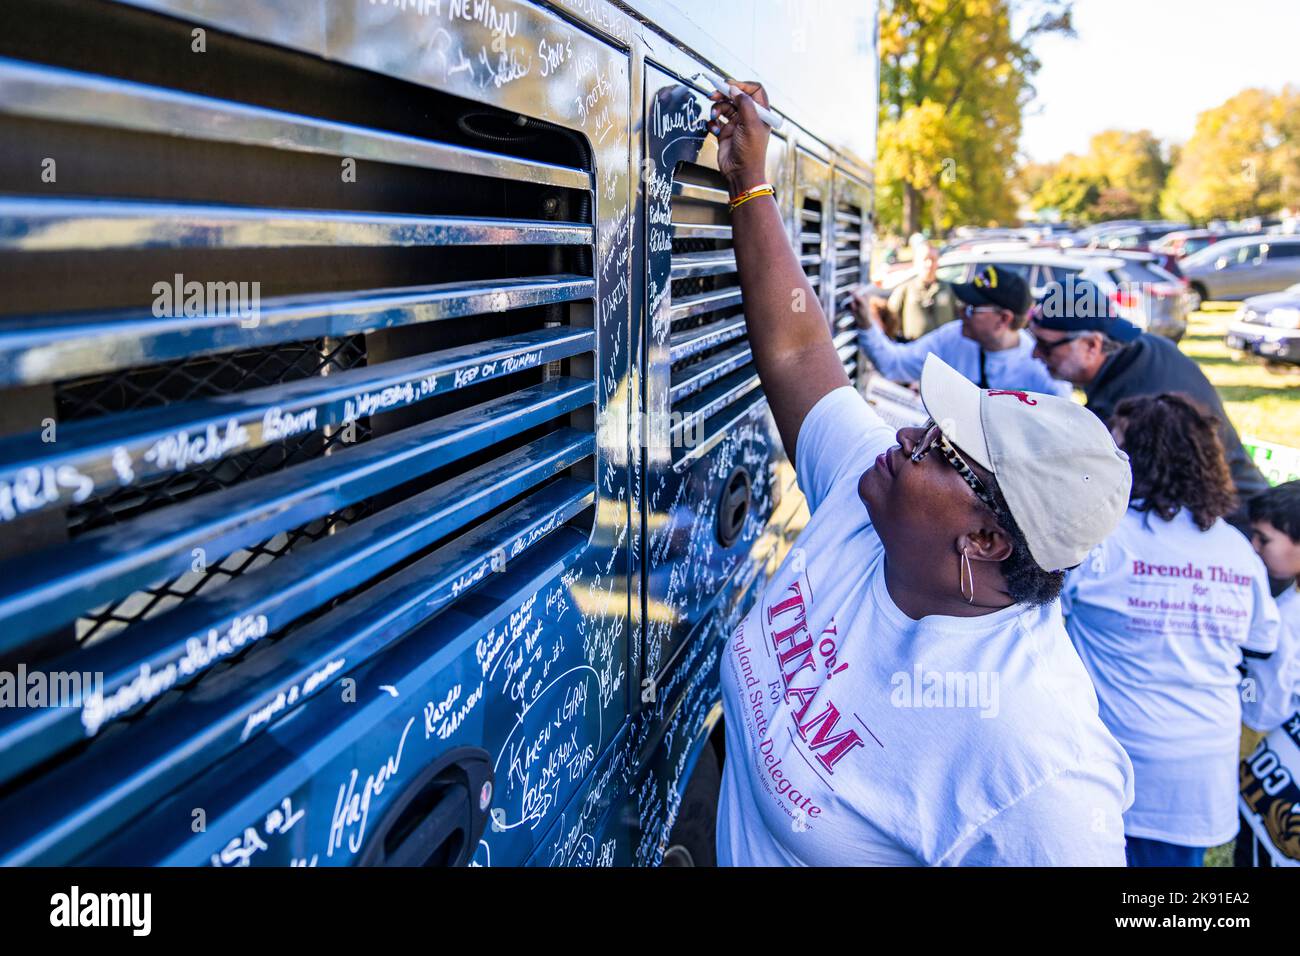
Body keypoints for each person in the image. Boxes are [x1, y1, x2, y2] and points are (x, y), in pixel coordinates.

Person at [706, 81, 1134, 866]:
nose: (908, 436)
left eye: (942, 450)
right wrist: (748, 181)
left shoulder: (1036, 765)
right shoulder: (869, 502)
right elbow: (803, 354)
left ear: (984, 540)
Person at [1059, 393, 1280, 867]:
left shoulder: (1096, 538)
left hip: (1113, 767)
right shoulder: (1238, 550)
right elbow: (1262, 644)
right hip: (1200, 774)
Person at [1028, 282, 1269, 522]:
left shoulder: (1130, 409)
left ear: (1092, 345)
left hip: (1229, 522)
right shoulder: (1149, 347)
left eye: (1045, 346)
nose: (1035, 354)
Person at [853, 264, 1069, 396]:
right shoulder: (952, 337)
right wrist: (866, 325)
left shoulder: (1043, 373)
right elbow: (895, 364)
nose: (961, 311)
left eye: (972, 308)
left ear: (1003, 319)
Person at [1235, 481, 1300, 866]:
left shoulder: (1286, 620)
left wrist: (1241, 692)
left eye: (1264, 539)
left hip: (1277, 774)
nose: (1255, 548)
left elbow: (1265, 705)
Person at [865, 244, 957, 341]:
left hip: (943, 350)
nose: (929, 264)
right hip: (914, 348)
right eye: (925, 259)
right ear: (916, 262)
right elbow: (891, 318)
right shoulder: (905, 289)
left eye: (933, 259)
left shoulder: (949, 288)